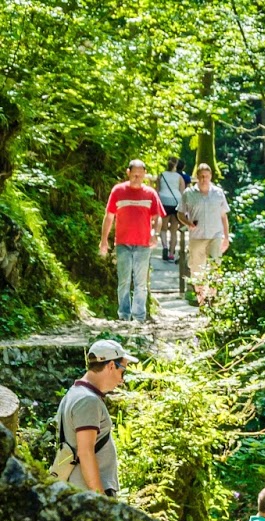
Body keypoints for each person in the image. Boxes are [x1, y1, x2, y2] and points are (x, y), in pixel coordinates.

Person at [54, 340, 133, 496]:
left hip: (79, 493)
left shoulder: (75, 393)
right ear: (111, 366)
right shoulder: (88, 401)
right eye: (123, 371)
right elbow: (85, 452)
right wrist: (100, 498)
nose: (122, 379)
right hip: (88, 496)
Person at [99, 159, 166, 322]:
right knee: (124, 280)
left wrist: (155, 234)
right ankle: (124, 315)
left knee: (140, 283)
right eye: (134, 174)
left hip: (143, 244)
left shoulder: (150, 193)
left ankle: (139, 317)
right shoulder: (118, 191)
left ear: (144, 175)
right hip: (123, 243)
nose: (137, 177)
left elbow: (158, 217)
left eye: (140, 175)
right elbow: (109, 217)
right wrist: (104, 240)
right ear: (128, 173)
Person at [178, 164, 230, 307]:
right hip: (197, 237)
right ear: (197, 177)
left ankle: (212, 302)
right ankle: (202, 301)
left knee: (215, 268)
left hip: (215, 236)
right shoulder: (189, 193)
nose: (203, 179)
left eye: (206, 176)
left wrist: (226, 237)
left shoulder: (218, 193)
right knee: (196, 270)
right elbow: (180, 213)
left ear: (211, 176)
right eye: (201, 176)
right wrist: (188, 222)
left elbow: (223, 216)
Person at [156, 158, 186, 262]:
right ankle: (171, 253)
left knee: (163, 228)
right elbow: (182, 192)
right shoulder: (179, 177)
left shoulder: (161, 175)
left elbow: (157, 190)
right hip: (176, 202)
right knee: (174, 230)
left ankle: (164, 246)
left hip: (164, 202)